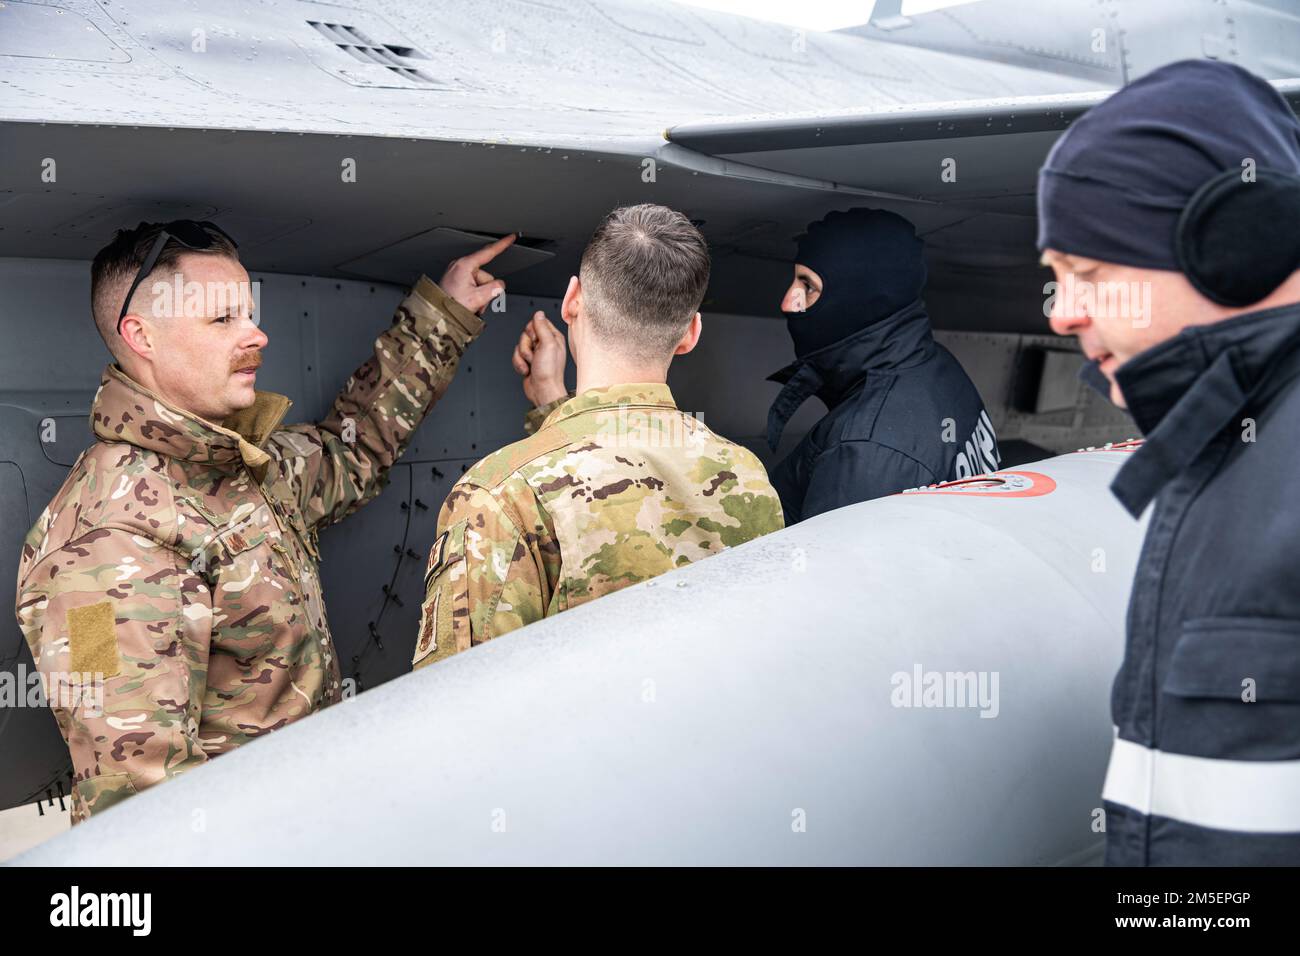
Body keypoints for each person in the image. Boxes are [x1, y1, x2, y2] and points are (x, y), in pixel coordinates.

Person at [15, 220, 512, 822]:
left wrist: (443, 316)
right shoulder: (103, 547)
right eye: (222, 319)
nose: (257, 335)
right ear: (141, 335)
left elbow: (351, 451)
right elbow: (139, 803)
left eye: (248, 314)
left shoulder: (244, 465)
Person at [1039, 59, 1300, 865]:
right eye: (1056, 280)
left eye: (1089, 275)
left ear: (1239, 245)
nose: (1063, 315)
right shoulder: (1231, 446)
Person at [412, 204, 783, 668]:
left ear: (571, 300)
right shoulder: (747, 475)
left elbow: (459, 695)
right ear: (691, 333)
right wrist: (551, 400)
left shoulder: (499, 497)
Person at [766, 208, 998, 523]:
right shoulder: (935, 364)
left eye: (807, 287)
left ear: (857, 301)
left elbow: (834, 555)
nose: (787, 302)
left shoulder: (866, 451)